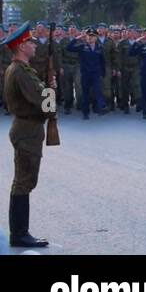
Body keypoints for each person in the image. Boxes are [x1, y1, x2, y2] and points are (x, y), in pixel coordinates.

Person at [5, 22, 56, 247]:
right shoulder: (21, 72)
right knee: (24, 182)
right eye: (30, 41)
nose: (34, 44)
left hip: (26, 128)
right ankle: (20, 234)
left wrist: (46, 86)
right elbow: (43, 103)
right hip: (27, 131)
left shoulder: (19, 69)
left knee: (23, 181)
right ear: (21, 46)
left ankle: (19, 232)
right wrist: (51, 93)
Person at [65, 29, 107, 120]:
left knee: (98, 90)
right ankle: (85, 112)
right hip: (85, 73)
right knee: (85, 94)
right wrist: (77, 38)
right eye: (88, 36)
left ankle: (101, 106)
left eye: (92, 36)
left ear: (96, 38)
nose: (90, 38)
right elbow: (69, 48)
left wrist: (103, 73)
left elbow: (102, 61)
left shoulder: (100, 47)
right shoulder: (82, 46)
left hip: (96, 73)